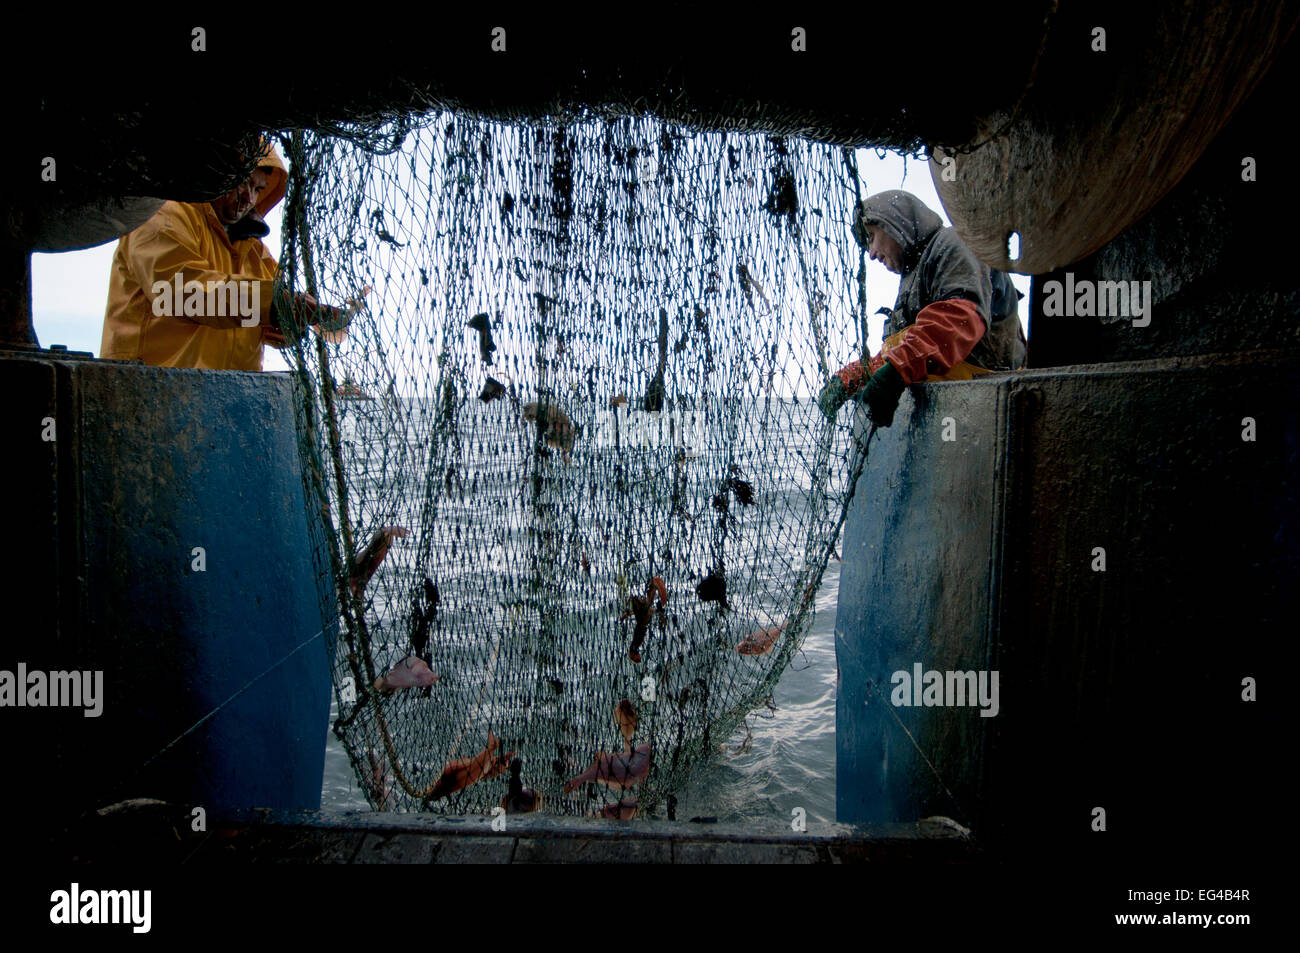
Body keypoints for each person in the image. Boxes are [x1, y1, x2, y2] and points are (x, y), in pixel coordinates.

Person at [100, 142, 346, 370]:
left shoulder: (256, 250)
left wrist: (287, 329)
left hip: (230, 400)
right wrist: (271, 305)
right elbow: (179, 292)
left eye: (258, 189)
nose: (248, 198)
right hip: (149, 390)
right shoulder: (162, 216)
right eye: (243, 182)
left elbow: (264, 314)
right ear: (215, 173)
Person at [818, 190, 1026, 426]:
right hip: (950, 407)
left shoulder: (953, 243)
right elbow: (901, 350)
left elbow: (959, 321)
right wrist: (851, 378)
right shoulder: (912, 278)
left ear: (894, 224)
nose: (872, 254)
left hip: (988, 404)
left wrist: (896, 372)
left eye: (872, 237)